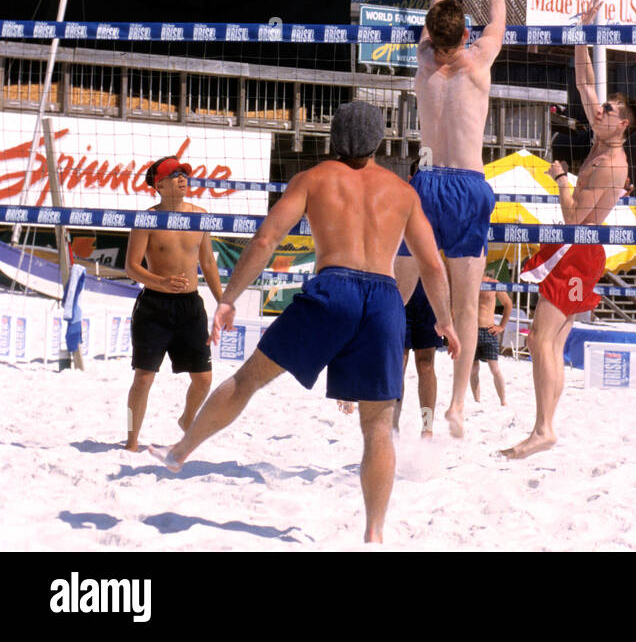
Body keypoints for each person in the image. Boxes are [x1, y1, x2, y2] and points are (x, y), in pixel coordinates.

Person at [149, 102, 460, 546]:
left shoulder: (313, 179)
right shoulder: (403, 192)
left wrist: (229, 299)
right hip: (384, 298)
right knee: (377, 426)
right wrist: (445, 321)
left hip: (333, 289)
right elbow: (432, 265)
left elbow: (265, 240)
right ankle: (374, 533)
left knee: (249, 379)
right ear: (378, 141)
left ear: (334, 137)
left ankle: (180, 452)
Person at [502, 0, 636, 459]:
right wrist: (583, 33)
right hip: (580, 249)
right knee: (553, 342)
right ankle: (544, 427)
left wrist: (561, 178)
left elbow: (571, 218)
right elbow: (584, 81)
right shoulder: (604, 141)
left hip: (577, 247)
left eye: (606, 109)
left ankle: (543, 429)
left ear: (621, 122)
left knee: (541, 339)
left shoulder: (607, 162)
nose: (596, 109)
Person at [395, 0, 507, 437]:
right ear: (464, 34)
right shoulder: (479, 57)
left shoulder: (423, 59)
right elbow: (498, 24)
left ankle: (385, 392)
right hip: (468, 184)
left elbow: (432, 21)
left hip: (425, 183)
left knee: (395, 296)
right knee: (466, 305)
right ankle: (457, 405)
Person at [124, 156, 224, 452]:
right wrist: (161, 282)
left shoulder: (200, 215)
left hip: (190, 307)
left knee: (204, 380)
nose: (183, 178)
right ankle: (131, 441)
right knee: (143, 379)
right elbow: (131, 267)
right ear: (160, 184)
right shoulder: (147, 219)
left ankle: (187, 419)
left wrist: (224, 301)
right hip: (154, 306)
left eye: (184, 174)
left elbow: (207, 262)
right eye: (175, 174)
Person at [394, 279, 446, 436]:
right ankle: (393, 425)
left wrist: (448, 309)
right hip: (399, 290)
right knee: (398, 363)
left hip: (428, 293)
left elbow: (448, 265)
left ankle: (427, 428)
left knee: (426, 364)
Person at [470, 273, 511, 407]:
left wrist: (501, 326)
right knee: (474, 369)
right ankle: (477, 401)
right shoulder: (469, 281)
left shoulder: (493, 283)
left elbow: (508, 304)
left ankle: (503, 401)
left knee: (495, 368)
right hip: (472, 330)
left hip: (489, 329)